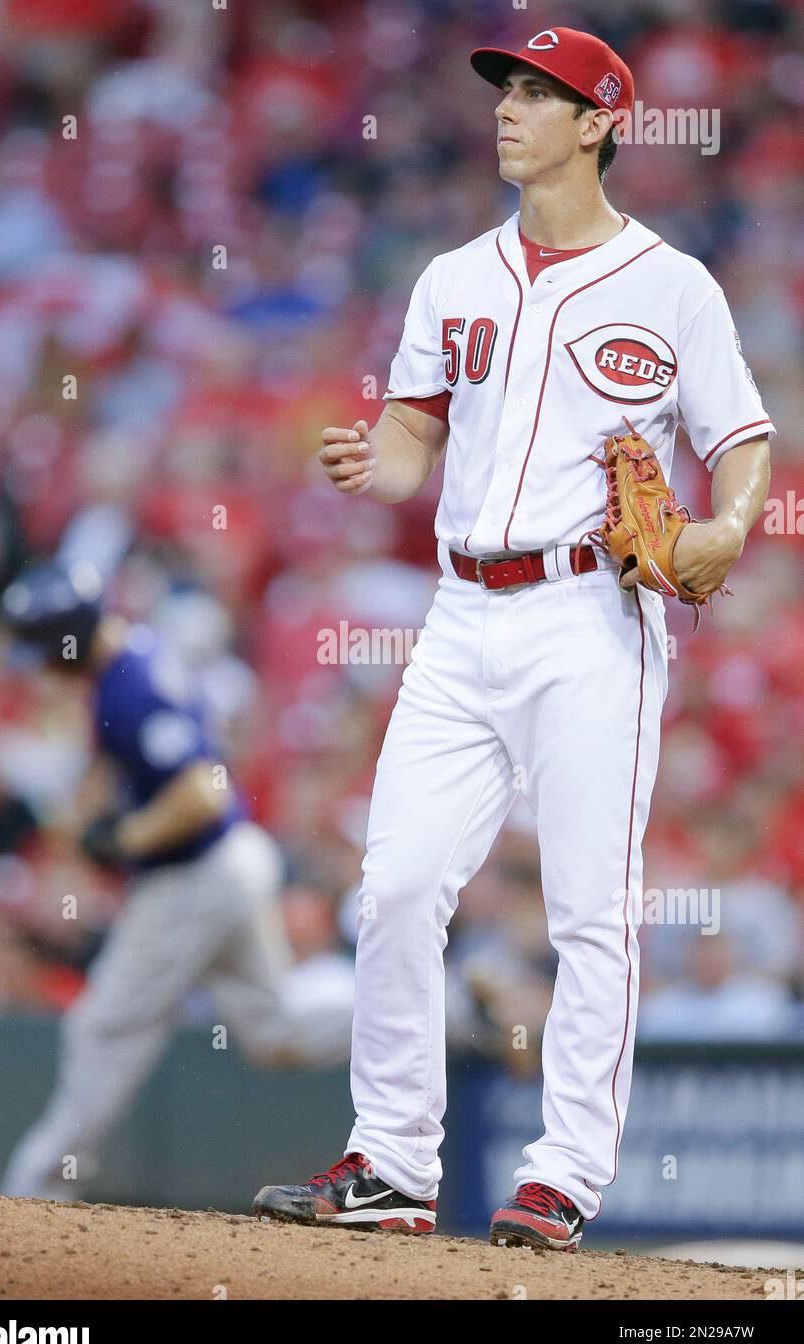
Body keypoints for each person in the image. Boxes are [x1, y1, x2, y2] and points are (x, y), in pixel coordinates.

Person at [252, 26, 774, 1250]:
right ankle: (388, 1161)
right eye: (504, 92)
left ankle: (564, 1174)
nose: (507, 112)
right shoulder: (450, 277)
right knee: (391, 888)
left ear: (597, 122)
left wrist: (728, 524)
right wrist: (362, 463)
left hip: (591, 614)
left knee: (588, 908)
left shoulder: (671, 284)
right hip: (455, 612)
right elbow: (405, 449)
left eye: (538, 96)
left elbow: (742, 439)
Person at [0, 559, 350, 1200]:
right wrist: (89, 820)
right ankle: (420, 1011)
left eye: (43, 651)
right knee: (276, 1034)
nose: (40, 668)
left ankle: (37, 1191)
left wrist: (123, 838)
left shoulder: (127, 685)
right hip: (230, 864)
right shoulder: (132, 656)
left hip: (197, 877)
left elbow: (204, 790)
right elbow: (133, 766)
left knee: (102, 1025)